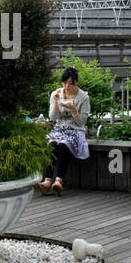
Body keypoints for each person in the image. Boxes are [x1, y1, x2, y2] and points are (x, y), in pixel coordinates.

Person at [39, 67, 90, 196]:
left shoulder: (83, 97)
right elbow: (53, 118)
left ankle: (58, 181)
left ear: (76, 82)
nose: (67, 86)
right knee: (51, 143)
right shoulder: (56, 94)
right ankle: (47, 180)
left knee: (64, 144)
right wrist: (56, 102)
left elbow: (81, 122)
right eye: (64, 83)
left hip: (75, 129)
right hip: (59, 128)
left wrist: (74, 110)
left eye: (70, 83)